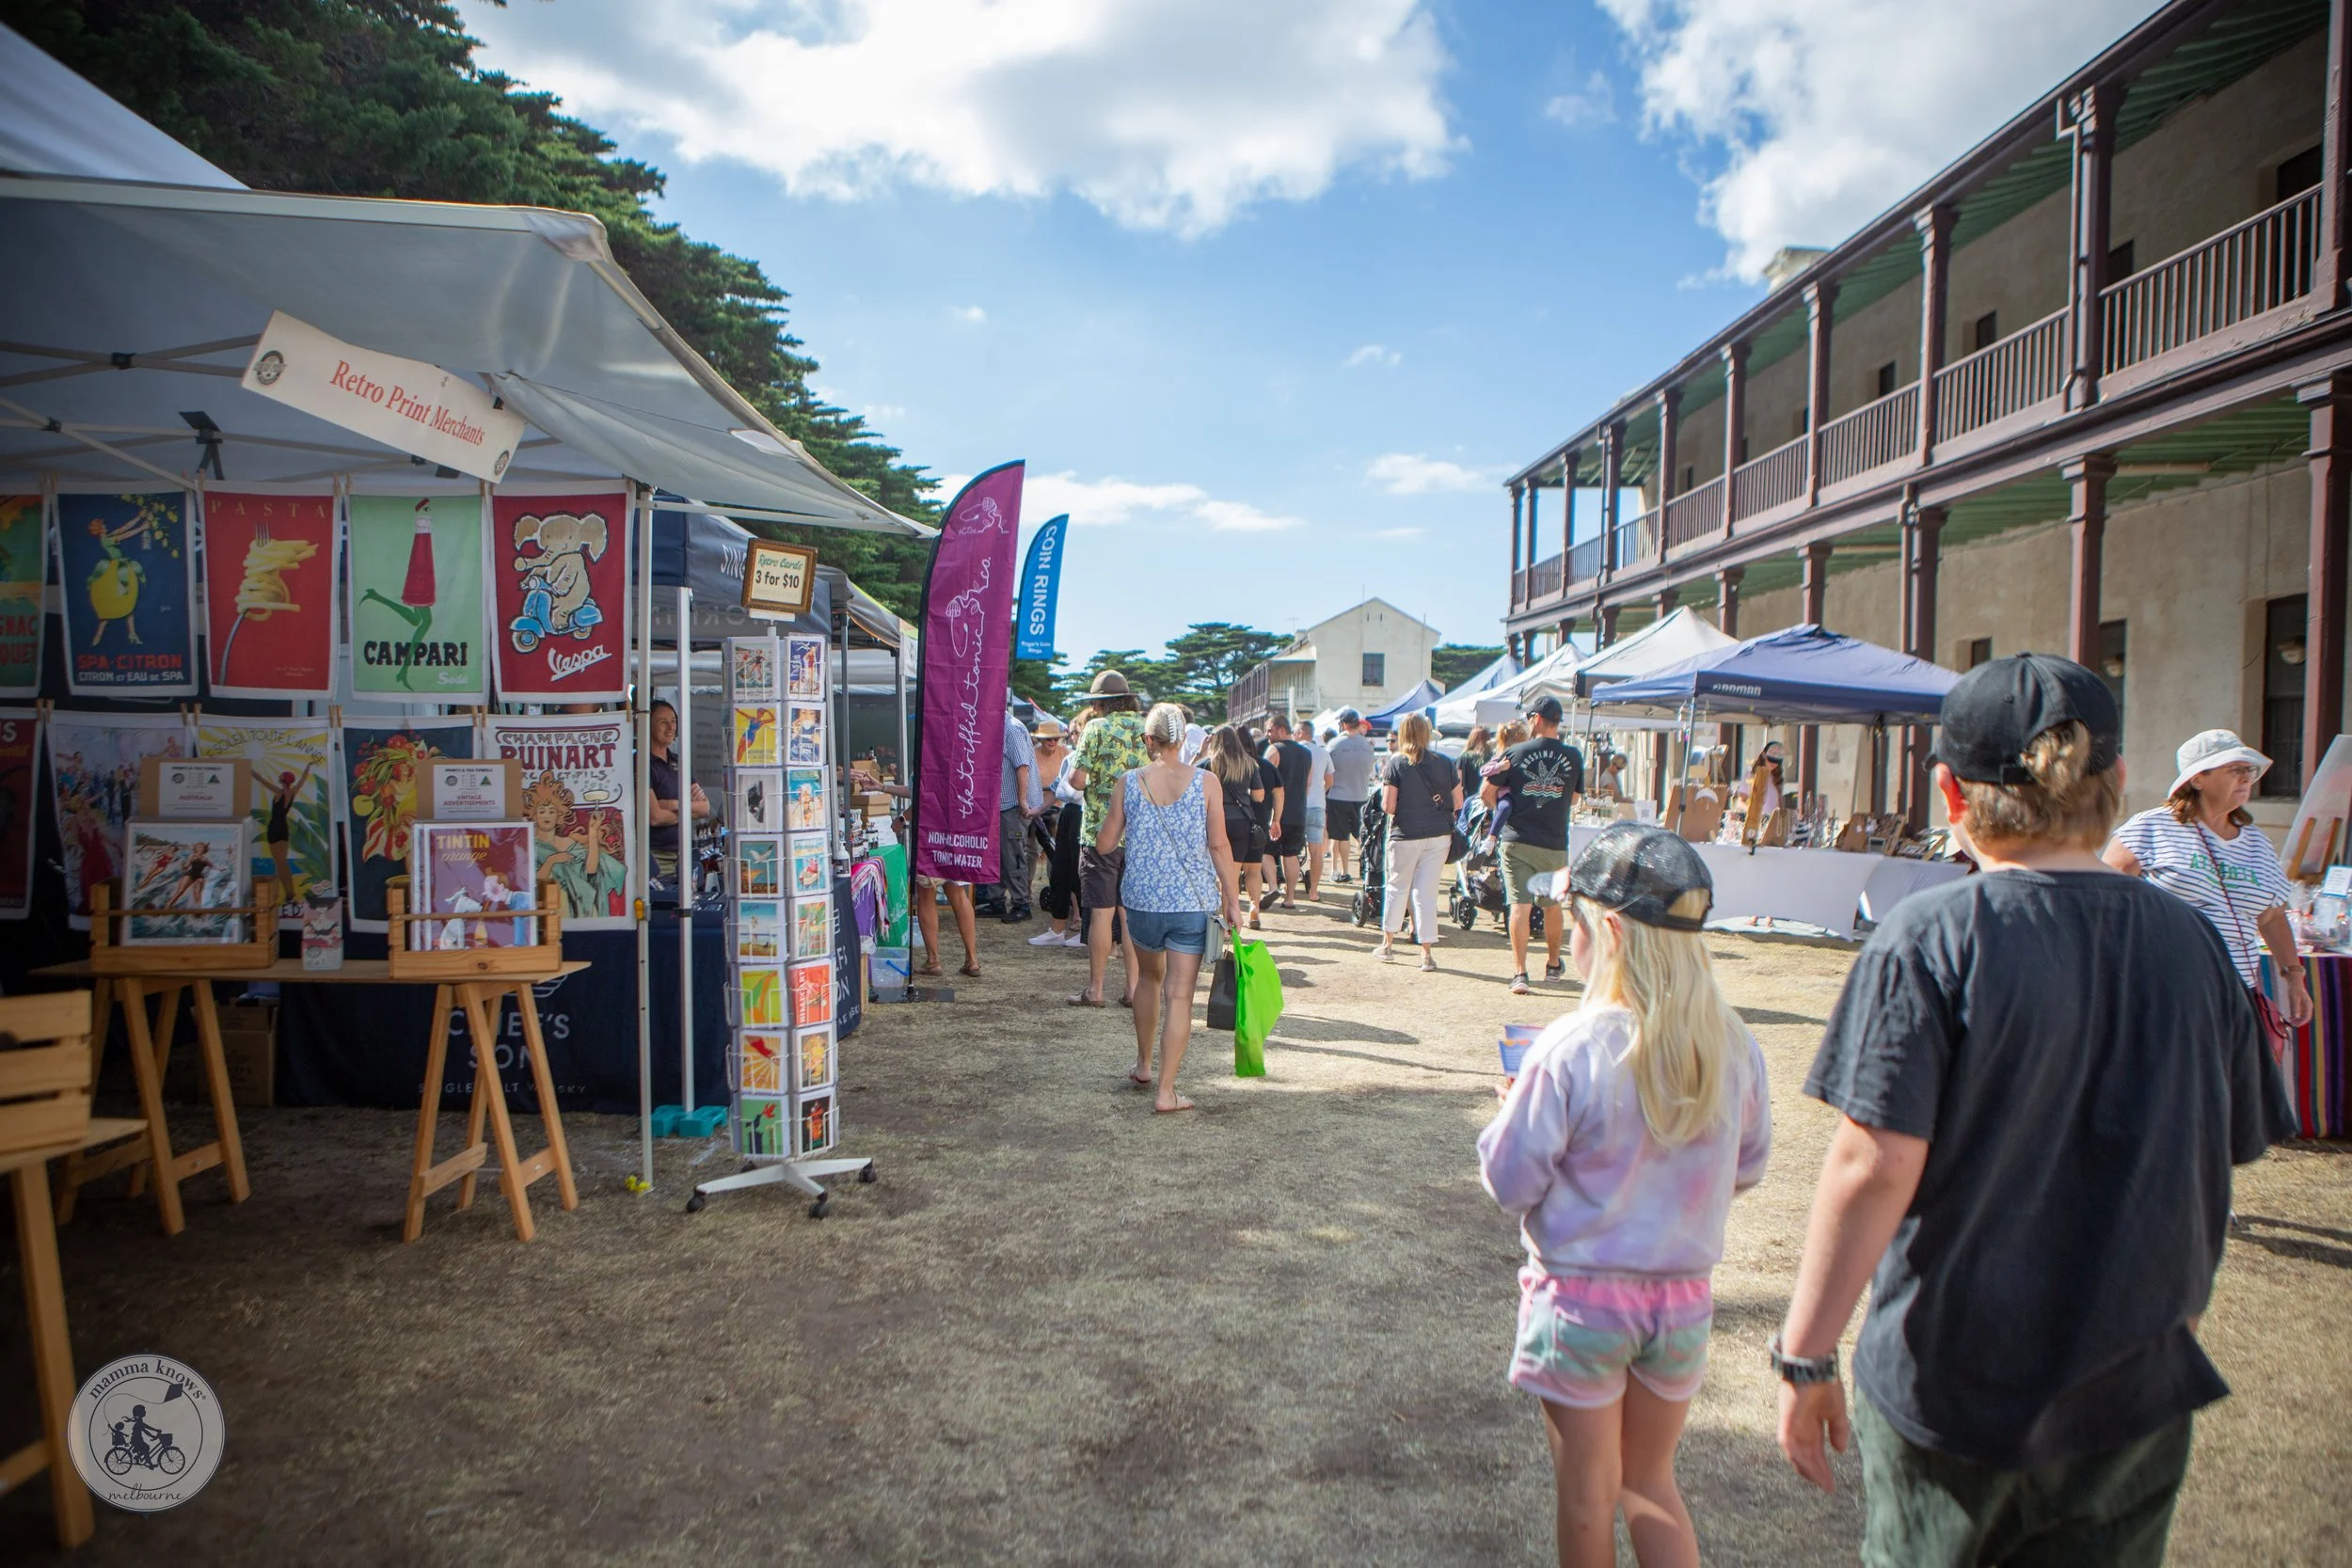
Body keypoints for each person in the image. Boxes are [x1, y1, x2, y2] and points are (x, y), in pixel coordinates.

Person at [1776, 655, 2295, 1568]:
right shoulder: (2193, 946)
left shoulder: (1929, 935)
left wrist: (1806, 1355)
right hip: (2132, 1386)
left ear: (1949, 790)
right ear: (2117, 782)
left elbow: (1873, 1164)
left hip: (1954, 1383)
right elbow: (2220, 1148)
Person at [1480, 824, 1771, 1568]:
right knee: (1649, 1481)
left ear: (1606, 929)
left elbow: (1512, 1181)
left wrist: (1509, 1109)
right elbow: (1748, 1164)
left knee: (1586, 1491)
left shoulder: (1570, 1047)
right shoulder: (1734, 1046)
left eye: (1570, 921)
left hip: (1580, 1304)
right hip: (1681, 1304)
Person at [2103, 728, 2312, 1034]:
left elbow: (2271, 916)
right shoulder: (2151, 828)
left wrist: (2294, 977)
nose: (2245, 777)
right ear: (2197, 779)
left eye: (2248, 770)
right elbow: (2104, 900)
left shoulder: (2257, 843)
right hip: (2164, 993)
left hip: (2235, 996)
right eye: (2233, 769)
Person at [1097, 703, 1242, 1113]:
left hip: (1142, 901)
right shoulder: (1207, 782)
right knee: (1180, 997)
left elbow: (1106, 843)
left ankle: (1143, 1064)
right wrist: (1233, 900)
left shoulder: (1128, 781)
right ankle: (1166, 1092)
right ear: (1183, 740)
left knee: (1148, 979)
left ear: (1149, 740)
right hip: (1191, 903)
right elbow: (1218, 846)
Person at [1483, 695, 1584, 996]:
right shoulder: (1574, 756)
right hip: (1554, 841)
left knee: (1519, 906)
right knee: (1552, 907)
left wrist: (1504, 807)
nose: (1528, 722)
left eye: (1530, 718)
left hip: (1517, 839)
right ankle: (1553, 964)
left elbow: (1486, 792)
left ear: (1537, 719)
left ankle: (1520, 972)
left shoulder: (1514, 752)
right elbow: (1576, 799)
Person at [1068, 672, 1149, 1006]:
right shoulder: (1148, 728)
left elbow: (1075, 780)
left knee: (1101, 913)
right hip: (1140, 835)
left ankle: (1095, 990)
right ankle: (1133, 990)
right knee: (1129, 913)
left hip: (1100, 832)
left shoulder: (1096, 728)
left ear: (1100, 703)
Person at [1376, 712, 1461, 971]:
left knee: (1397, 887)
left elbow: (1389, 806)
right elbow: (1458, 802)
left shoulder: (1396, 763)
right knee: (1425, 893)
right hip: (1438, 835)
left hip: (1405, 833)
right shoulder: (1445, 762)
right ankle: (1426, 953)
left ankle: (1387, 945)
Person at [1204, 725, 1269, 927]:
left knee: (1215, 873)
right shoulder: (1249, 764)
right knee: (1230, 877)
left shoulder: (1208, 763)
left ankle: (1219, 919)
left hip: (1215, 820)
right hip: (1241, 822)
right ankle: (1229, 923)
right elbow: (1259, 796)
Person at [1029, 718, 1086, 948]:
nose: (1074, 737)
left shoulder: (1088, 758)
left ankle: (1086, 930)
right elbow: (1055, 791)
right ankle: (1057, 928)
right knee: (1060, 871)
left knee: (1079, 874)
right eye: (1073, 733)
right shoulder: (1070, 758)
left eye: (1077, 732)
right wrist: (1036, 810)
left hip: (1085, 814)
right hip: (1068, 813)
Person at [646, 698, 710, 883]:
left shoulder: (679, 762)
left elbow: (705, 808)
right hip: (656, 855)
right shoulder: (641, 763)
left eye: (673, 721)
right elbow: (654, 817)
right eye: (663, 722)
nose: (670, 727)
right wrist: (689, 810)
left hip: (683, 851)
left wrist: (674, 804)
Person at [1259, 714, 1311, 910]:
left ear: (1282, 730)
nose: (1267, 734)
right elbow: (1308, 783)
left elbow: (1263, 780)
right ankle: (1290, 898)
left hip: (1275, 814)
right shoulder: (1307, 753)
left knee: (1265, 851)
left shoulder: (1274, 750)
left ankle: (1273, 885)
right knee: (1291, 854)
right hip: (1298, 811)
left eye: (1270, 730)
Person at [993, 706, 1039, 923]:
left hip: (1011, 804)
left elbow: (1023, 766)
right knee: (998, 855)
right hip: (999, 805)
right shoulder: (998, 726)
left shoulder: (1011, 729)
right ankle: (996, 900)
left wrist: (1022, 800)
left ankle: (1022, 903)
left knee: (1014, 855)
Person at [1325, 709, 1376, 886]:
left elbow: (1327, 770)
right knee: (1362, 835)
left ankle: (1339, 870)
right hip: (1361, 795)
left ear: (1344, 724)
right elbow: (1369, 769)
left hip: (1338, 794)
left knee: (1340, 836)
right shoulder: (1368, 745)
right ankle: (1364, 869)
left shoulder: (1334, 744)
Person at [1300, 723, 1334, 901]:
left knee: (1289, 851)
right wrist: (1321, 791)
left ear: (1300, 733)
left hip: (1295, 807)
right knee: (1317, 851)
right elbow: (1329, 780)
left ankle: (1288, 890)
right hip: (1317, 806)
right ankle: (1314, 891)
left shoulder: (1293, 750)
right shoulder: (1323, 752)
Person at [1456, 724, 1492, 809]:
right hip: (1488, 803)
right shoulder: (1493, 757)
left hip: (1470, 802)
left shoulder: (1464, 757)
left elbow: (1458, 783)